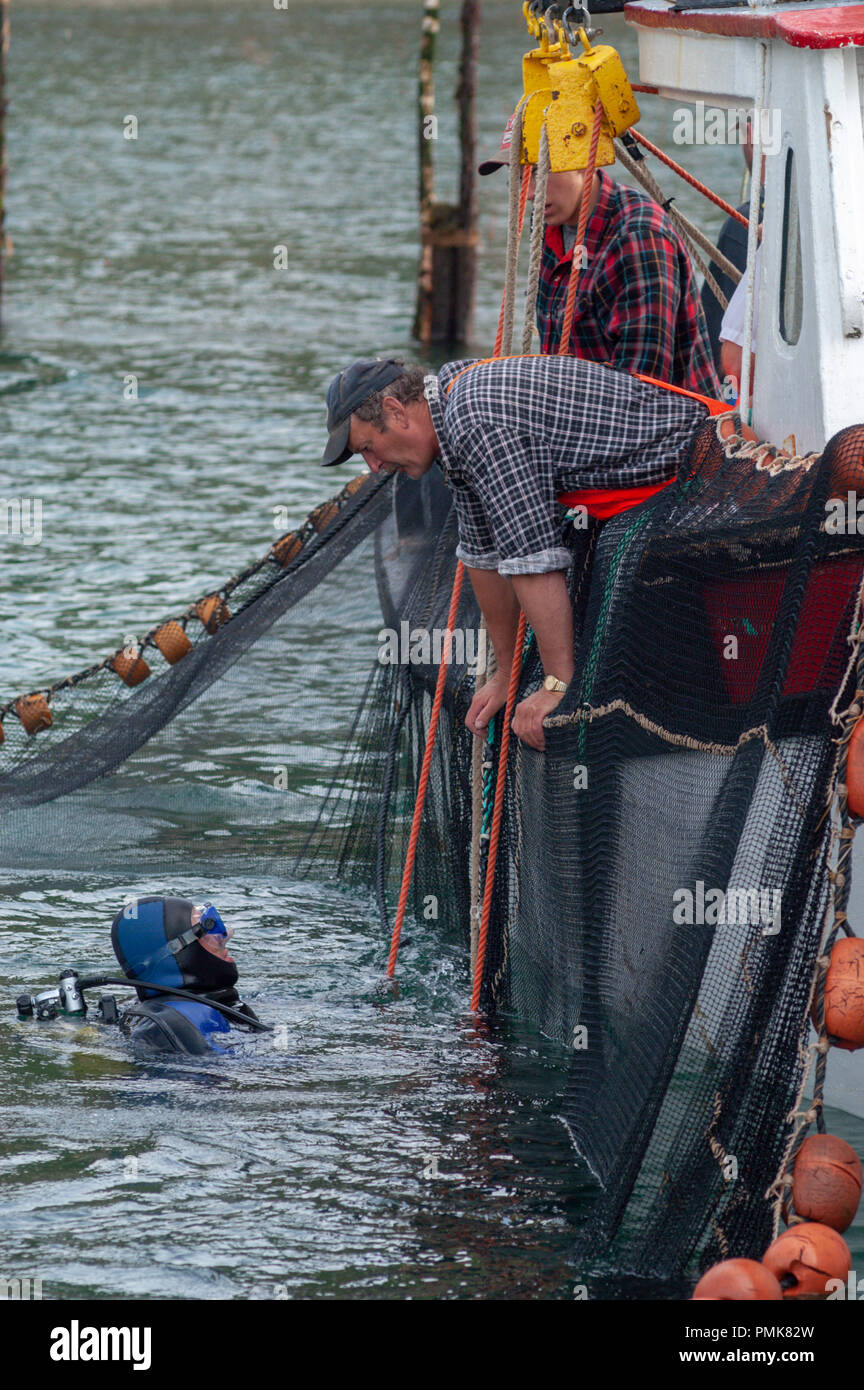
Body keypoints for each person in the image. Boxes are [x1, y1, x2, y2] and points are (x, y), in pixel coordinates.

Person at [321, 355, 719, 752]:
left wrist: (556, 684)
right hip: (664, 489)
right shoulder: (449, 406)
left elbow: (534, 560)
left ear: (396, 411)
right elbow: (484, 558)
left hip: (712, 470)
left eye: (369, 447)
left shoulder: (476, 421)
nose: (373, 467)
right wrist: (505, 676)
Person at [478, 116, 720, 395]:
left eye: (539, 173)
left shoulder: (639, 238)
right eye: (519, 178)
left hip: (665, 430)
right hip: (584, 415)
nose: (530, 193)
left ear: (582, 160)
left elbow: (641, 390)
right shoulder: (547, 224)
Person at [111, 896, 260, 1054]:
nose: (225, 935)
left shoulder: (217, 1003)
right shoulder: (168, 1027)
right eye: (208, 927)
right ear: (174, 951)